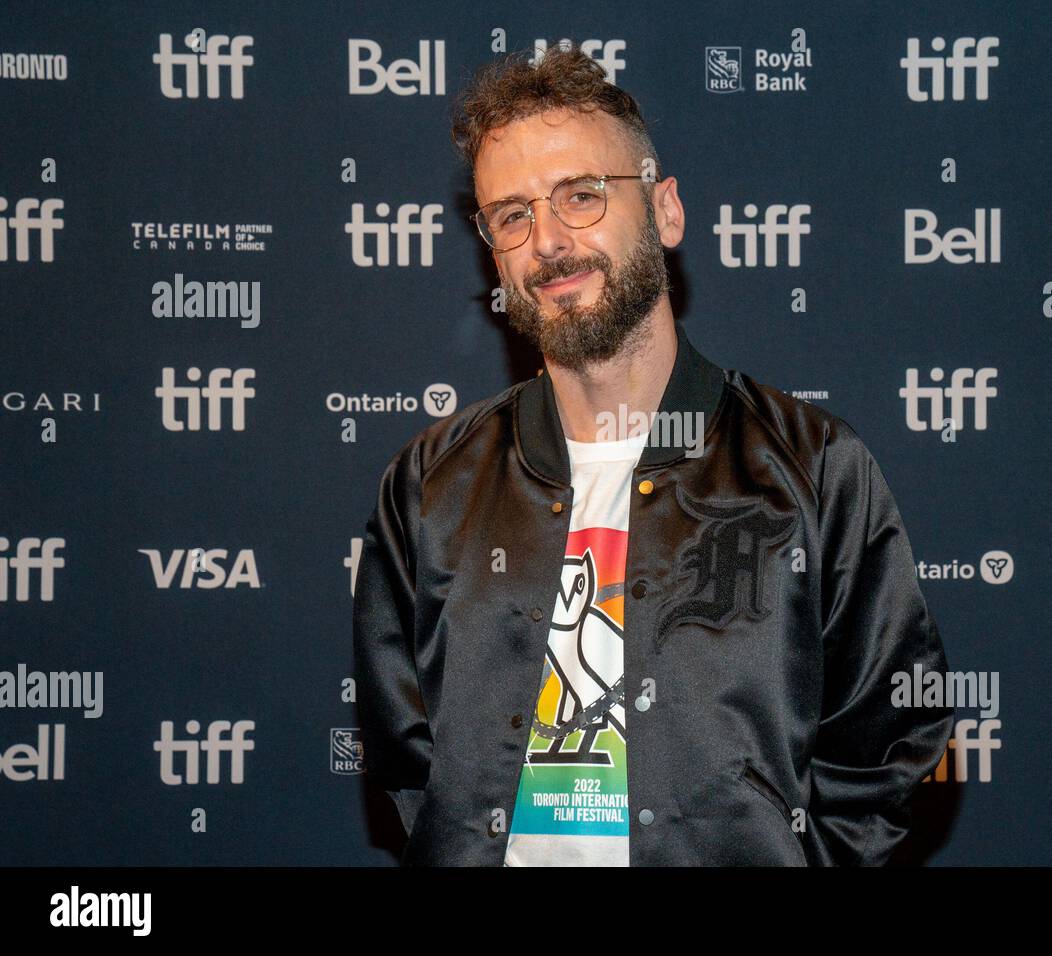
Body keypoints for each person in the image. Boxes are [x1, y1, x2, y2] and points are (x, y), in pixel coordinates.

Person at [352, 44, 954, 866]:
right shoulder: (431, 485)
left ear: (665, 211)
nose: (551, 243)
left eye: (583, 197)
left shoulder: (811, 468)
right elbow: (407, 756)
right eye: (513, 214)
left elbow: (891, 743)